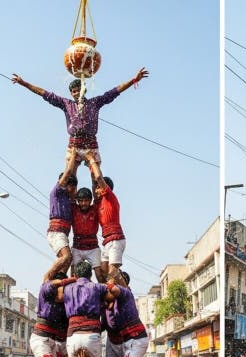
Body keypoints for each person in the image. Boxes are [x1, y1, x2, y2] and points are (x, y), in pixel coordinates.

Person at [11, 68, 148, 169]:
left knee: (96, 176)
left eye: (79, 90)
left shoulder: (95, 102)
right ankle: (70, 205)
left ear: (84, 90)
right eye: (74, 91)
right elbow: (43, 93)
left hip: (91, 142)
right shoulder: (66, 104)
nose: (76, 93)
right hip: (74, 142)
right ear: (71, 93)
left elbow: (115, 91)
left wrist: (134, 80)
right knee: (70, 176)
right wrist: (24, 83)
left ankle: (98, 204)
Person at [60, 261, 121, 357]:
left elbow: (56, 296)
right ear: (90, 275)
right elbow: (113, 295)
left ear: (75, 275)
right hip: (92, 336)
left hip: (72, 336)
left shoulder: (67, 288)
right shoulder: (97, 287)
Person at [103, 272, 151, 357]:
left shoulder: (125, 294)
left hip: (134, 338)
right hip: (122, 340)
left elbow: (111, 287)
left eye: (112, 281)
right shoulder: (107, 301)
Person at [45, 161, 78, 282]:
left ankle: (57, 278)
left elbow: (72, 176)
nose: (73, 189)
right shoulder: (56, 193)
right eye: (71, 186)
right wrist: (73, 158)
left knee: (68, 260)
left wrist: (77, 165)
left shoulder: (68, 199)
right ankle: (47, 277)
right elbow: (68, 173)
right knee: (67, 256)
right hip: (56, 232)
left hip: (62, 233)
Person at [93, 170, 126, 287]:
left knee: (112, 271)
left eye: (98, 187)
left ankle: (127, 295)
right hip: (107, 241)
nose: (96, 190)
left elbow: (99, 179)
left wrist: (92, 162)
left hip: (116, 239)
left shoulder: (110, 197)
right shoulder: (99, 204)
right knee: (103, 272)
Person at [71, 187, 103, 282]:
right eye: (81, 201)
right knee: (74, 275)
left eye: (86, 201)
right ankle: (72, 295)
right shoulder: (74, 208)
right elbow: (72, 190)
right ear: (77, 201)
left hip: (93, 247)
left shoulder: (95, 208)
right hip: (77, 246)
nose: (83, 203)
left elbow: (96, 192)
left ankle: (103, 296)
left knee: (99, 275)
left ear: (90, 201)